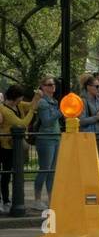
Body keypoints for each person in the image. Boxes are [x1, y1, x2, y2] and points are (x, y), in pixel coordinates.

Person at [0, 84, 40, 214]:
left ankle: (10, 200)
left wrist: (37, 96)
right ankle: (5, 200)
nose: (22, 99)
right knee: (5, 174)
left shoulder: (18, 105)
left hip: (15, 146)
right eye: (20, 97)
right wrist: (32, 111)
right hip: (5, 146)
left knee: (14, 173)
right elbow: (21, 123)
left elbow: (29, 105)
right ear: (15, 97)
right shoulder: (5, 110)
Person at [33, 75, 62, 211]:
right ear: (43, 87)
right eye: (49, 85)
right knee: (44, 169)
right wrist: (60, 112)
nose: (53, 87)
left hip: (55, 138)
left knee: (52, 171)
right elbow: (47, 121)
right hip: (45, 139)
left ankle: (51, 200)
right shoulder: (43, 102)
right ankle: (37, 200)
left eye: (53, 84)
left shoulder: (53, 101)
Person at [79, 74, 99, 159]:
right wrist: (96, 118)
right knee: (88, 162)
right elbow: (81, 121)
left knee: (98, 163)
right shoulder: (82, 101)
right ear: (88, 87)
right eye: (97, 86)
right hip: (88, 137)